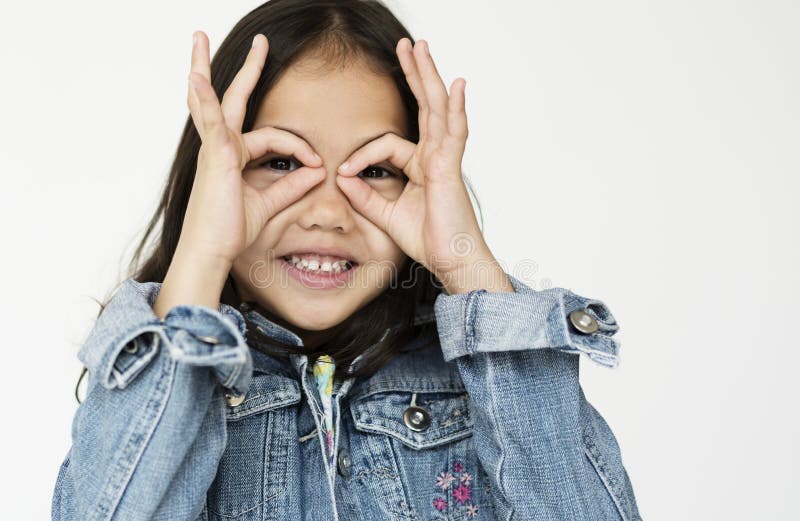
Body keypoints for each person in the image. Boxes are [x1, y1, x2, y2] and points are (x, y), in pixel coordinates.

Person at [51, 1, 642, 519]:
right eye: (282, 162)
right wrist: (203, 254)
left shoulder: (480, 389)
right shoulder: (154, 388)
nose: (329, 213)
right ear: (209, 177)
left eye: (375, 169)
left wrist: (466, 266)